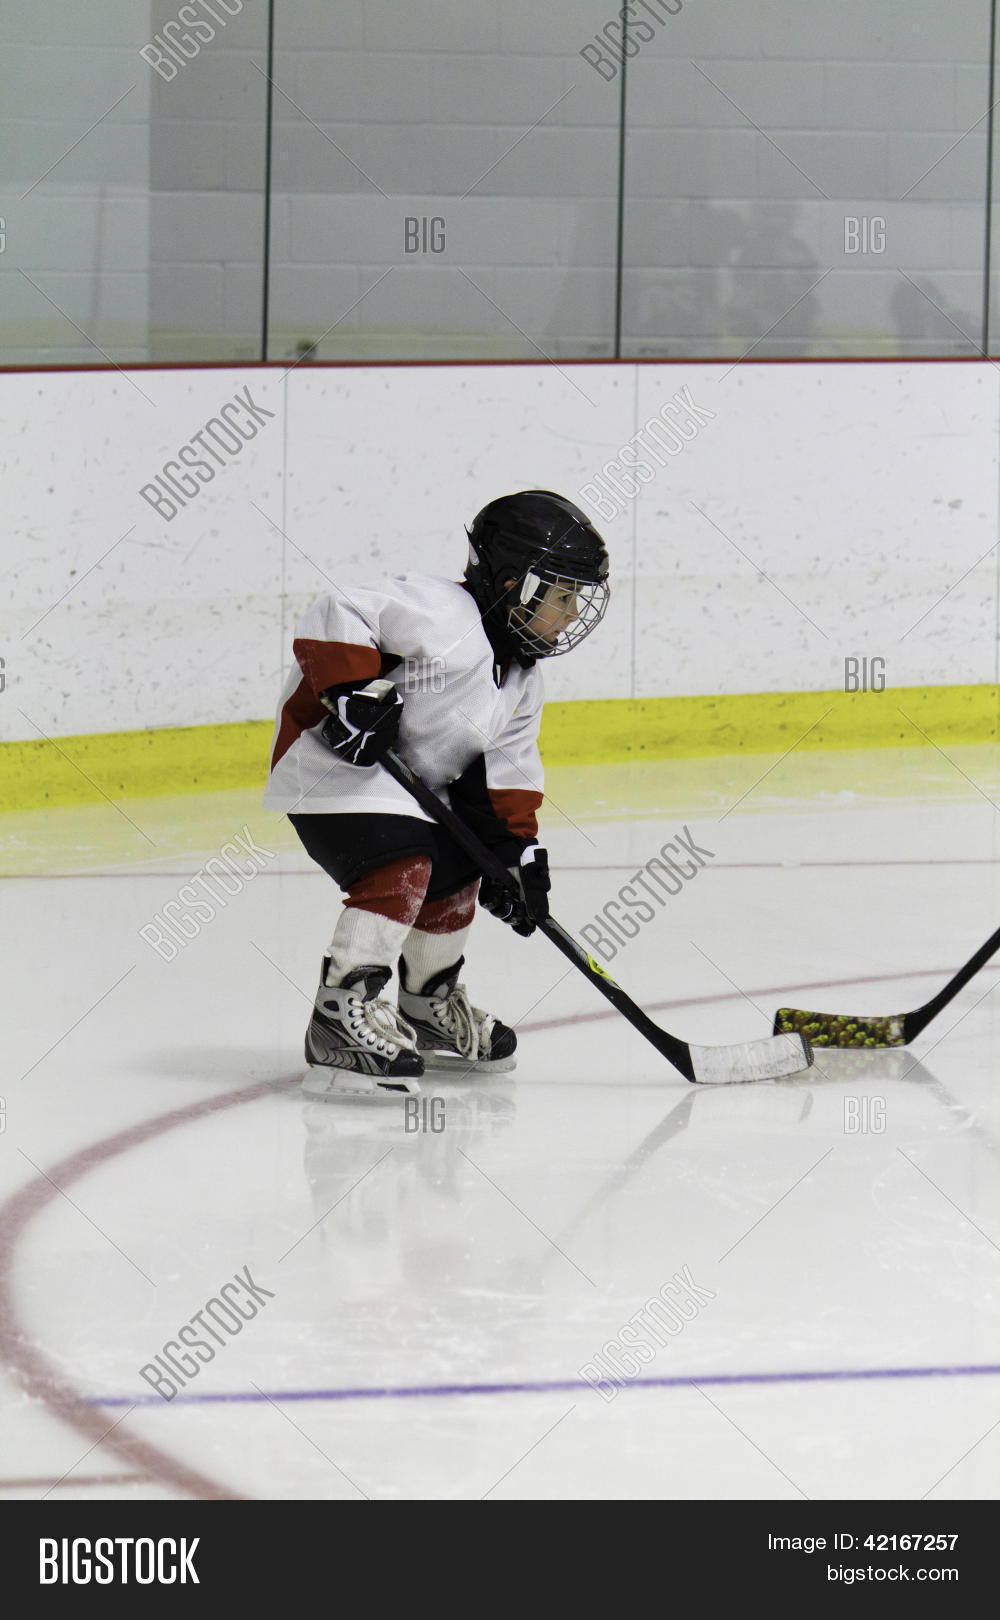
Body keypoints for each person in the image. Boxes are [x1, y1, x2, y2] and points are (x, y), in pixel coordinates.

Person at [262, 489, 610, 1100]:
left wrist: (514, 859)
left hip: (410, 790)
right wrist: (351, 691)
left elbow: (501, 778)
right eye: (562, 595)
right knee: (404, 864)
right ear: (511, 583)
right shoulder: (441, 611)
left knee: (457, 870)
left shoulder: (523, 680)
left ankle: (426, 1010)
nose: (571, 612)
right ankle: (339, 1020)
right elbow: (336, 612)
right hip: (328, 769)